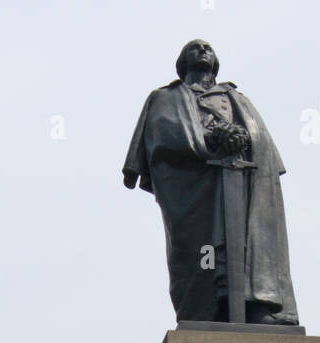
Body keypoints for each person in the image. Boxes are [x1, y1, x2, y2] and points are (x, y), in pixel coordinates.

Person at [123, 40, 298, 324]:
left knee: (243, 243)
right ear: (182, 63)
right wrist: (210, 139)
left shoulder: (236, 98)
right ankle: (208, 309)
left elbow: (262, 142)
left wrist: (241, 139)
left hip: (240, 179)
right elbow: (162, 136)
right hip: (193, 186)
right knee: (202, 251)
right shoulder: (167, 98)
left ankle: (255, 306)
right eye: (194, 48)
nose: (202, 50)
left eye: (207, 48)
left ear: (215, 62)